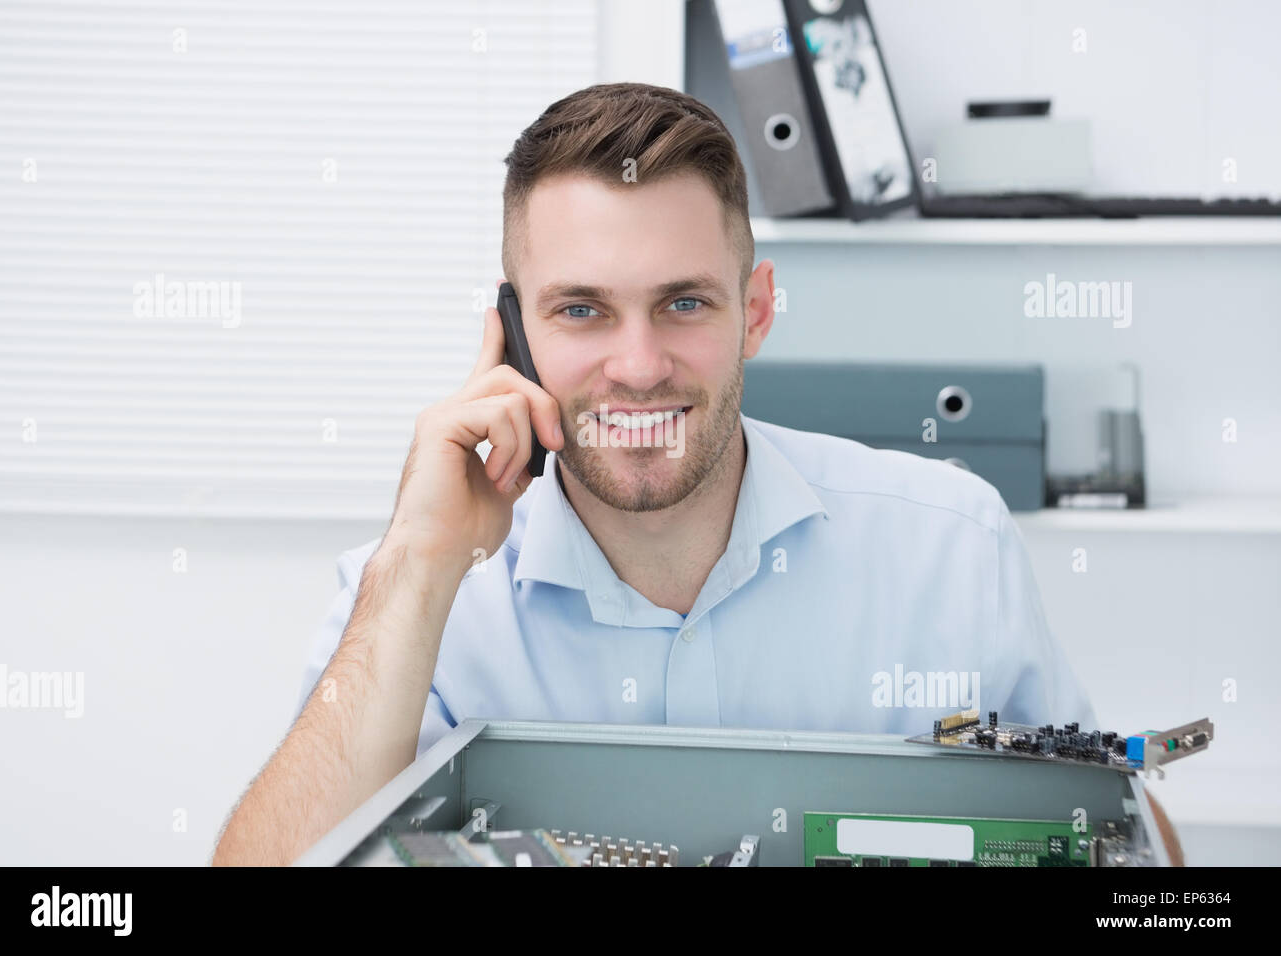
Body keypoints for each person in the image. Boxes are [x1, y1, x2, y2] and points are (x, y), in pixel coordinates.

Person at [213, 82, 1171, 867]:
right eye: (581, 310)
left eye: (681, 303)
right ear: (512, 331)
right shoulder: (419, 594)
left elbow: (1136, 856)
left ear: (755, 311)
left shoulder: (950, 545)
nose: (637, 365)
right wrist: (420, 560)